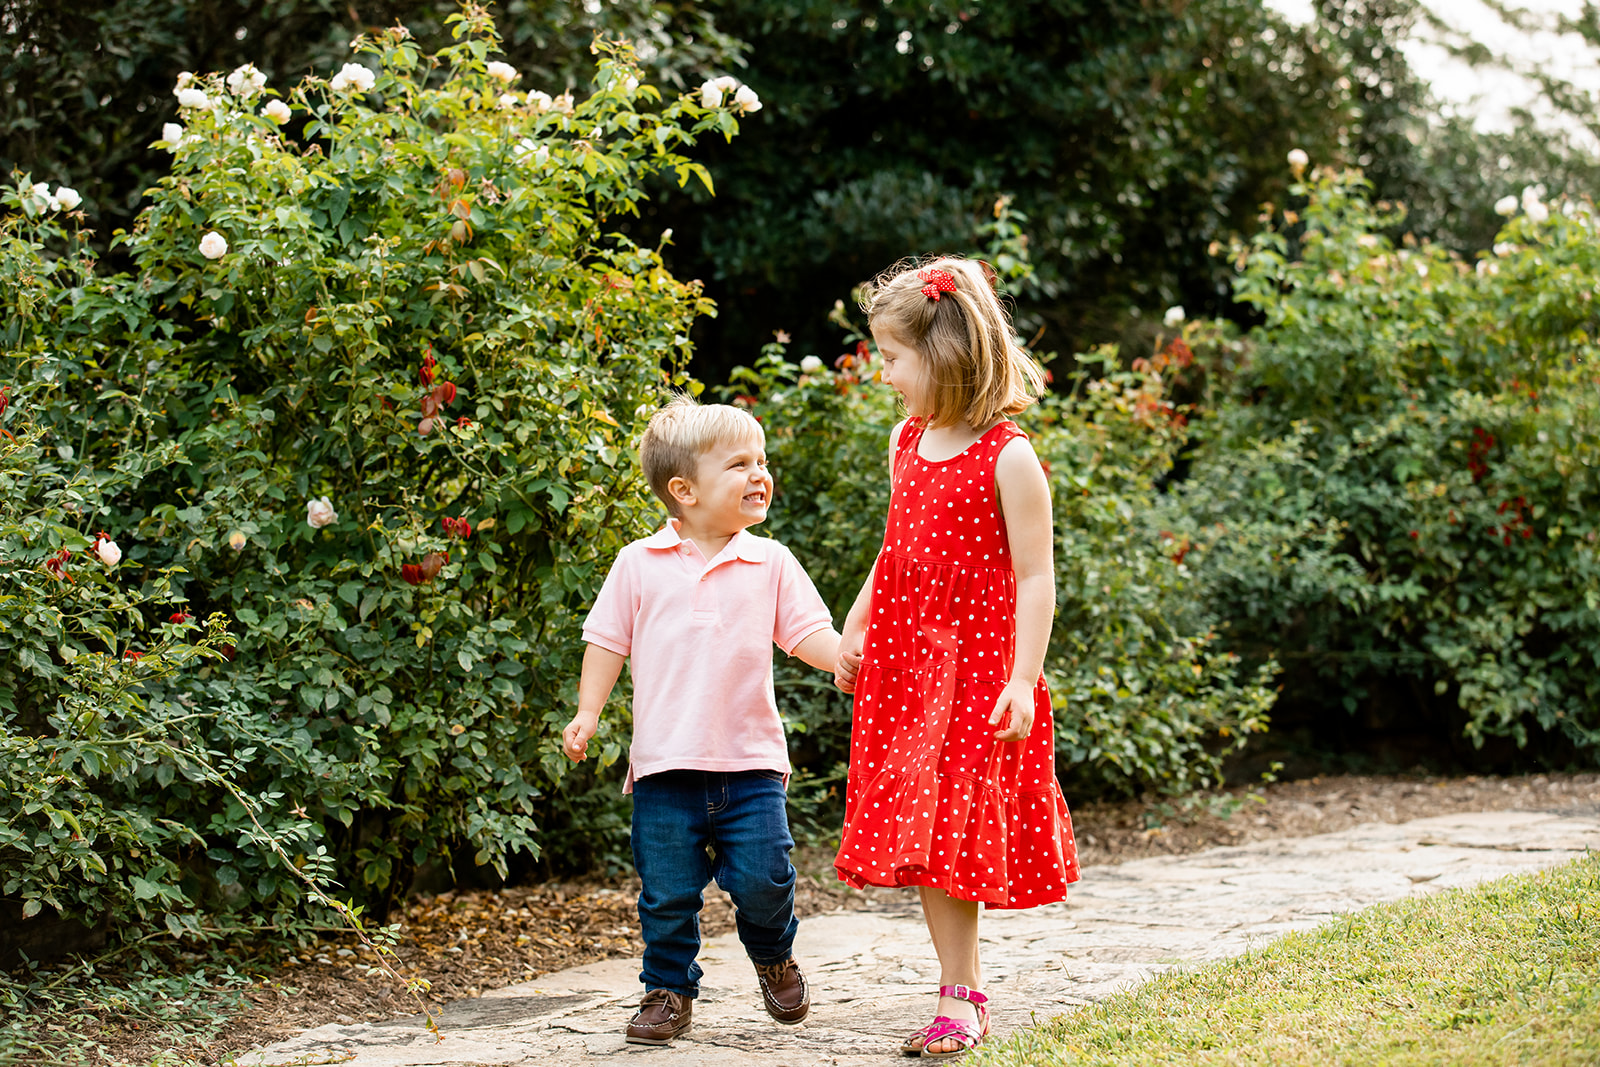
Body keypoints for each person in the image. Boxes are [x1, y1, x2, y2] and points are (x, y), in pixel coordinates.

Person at [833, 257, 1080, 1058]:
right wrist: (858, 620)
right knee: (922, 830)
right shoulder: (906, 440)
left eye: (893, 358)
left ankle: (960, 993)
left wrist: (1022, 677)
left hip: (975, 677)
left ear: (944, 354)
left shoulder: (1010, 456)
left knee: (953, 830)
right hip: (907, 670)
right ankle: (957, 985)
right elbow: (894, 546)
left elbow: (1037, 577)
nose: (884, 375)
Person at [562, 395, 843, 1046]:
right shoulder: (638, 563)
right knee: (666, 894)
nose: (759, 474)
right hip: (665, 769)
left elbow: (809, 633)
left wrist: (846, 663)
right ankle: (667, 989)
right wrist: (586, 712)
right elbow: (606, 640)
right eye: (739, 464)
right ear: (684, 490)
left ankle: (773, 952)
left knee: (765, 878)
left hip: (750, 766)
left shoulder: (770, 561)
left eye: (761, 460)